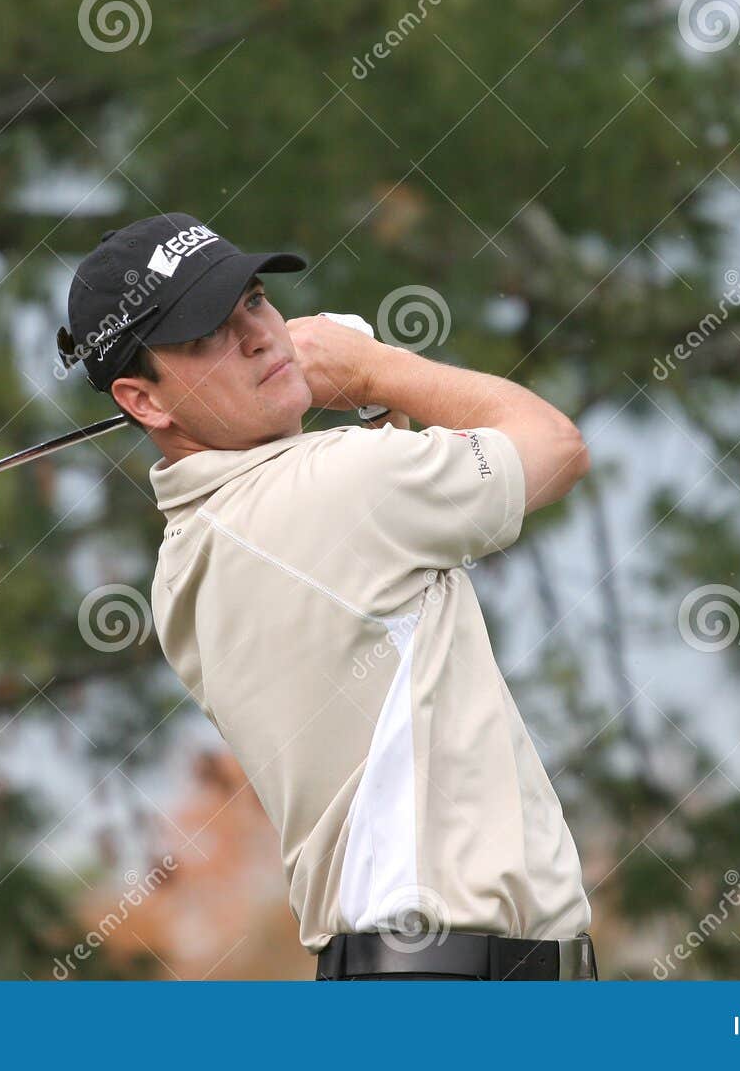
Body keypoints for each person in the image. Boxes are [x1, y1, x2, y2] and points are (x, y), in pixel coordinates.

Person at [57, 213, 598, 980]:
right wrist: (378, 368)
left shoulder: (187, 559)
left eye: (250, 299)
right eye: (204, 333)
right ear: (144, 402)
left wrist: (381, 423)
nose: (255, 335)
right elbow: (556, 448)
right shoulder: (333, 484)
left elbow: (382, 580)